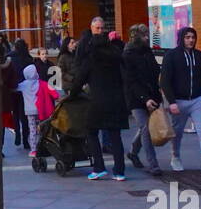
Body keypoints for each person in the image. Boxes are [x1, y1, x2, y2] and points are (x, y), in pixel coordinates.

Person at [159, 26, 201, 176]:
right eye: (187, 37)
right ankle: (175, 157)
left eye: (193, 37)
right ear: (181, 38)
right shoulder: (171, 56)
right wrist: (171, 101)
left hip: (197, 100)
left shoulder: (200, 56)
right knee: (177, 133)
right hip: (178, 101)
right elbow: (165, 81)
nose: (191, 40)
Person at [70, 31, 128, 180]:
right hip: (116, 101)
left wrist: (73, 94)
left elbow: (79, 80)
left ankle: (99, 167)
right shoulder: (117, 58)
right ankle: (119, 171)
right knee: (116, 136)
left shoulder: (91, 59)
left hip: (97, 102)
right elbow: (125, 78)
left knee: (91, 132)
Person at [122, 24, 163, 177]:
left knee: (145, 127)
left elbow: (154, 72)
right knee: (146, 128)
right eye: (144, 35)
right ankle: (153, 165)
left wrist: (158, 91)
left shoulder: (148, 52)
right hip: (135, 97)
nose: (147, 37)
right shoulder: (127, 54)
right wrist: (144, 98)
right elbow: (131, 81)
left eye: (147, 34)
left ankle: (133, 151)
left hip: (152, 94)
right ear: (137, 36)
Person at [5, 39, 37, 150]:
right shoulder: (28, 59)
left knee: (15, 113)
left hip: (13, 88)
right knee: (24, 115)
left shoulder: (9, 58)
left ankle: (17, 133)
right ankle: (25, 139)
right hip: (25, 89)